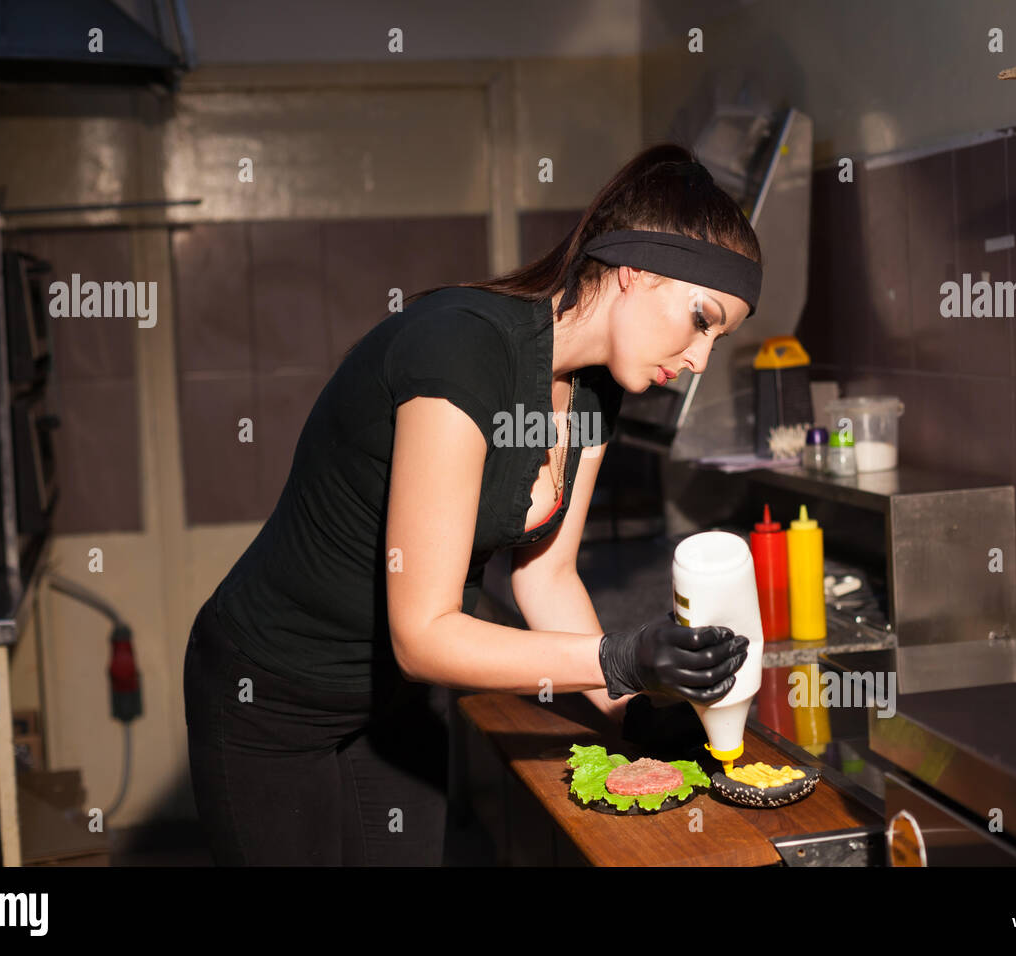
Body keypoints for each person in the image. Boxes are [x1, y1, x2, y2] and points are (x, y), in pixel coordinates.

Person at [183, 142, 764, 865]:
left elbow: (543, 576)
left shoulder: (594, 394)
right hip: (268, 694)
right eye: (702, 319)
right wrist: (621, 657)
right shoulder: (461, 350)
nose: (701, 360)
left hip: (393, 705)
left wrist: (634, 708)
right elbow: (423, 632)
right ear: (635, 270)